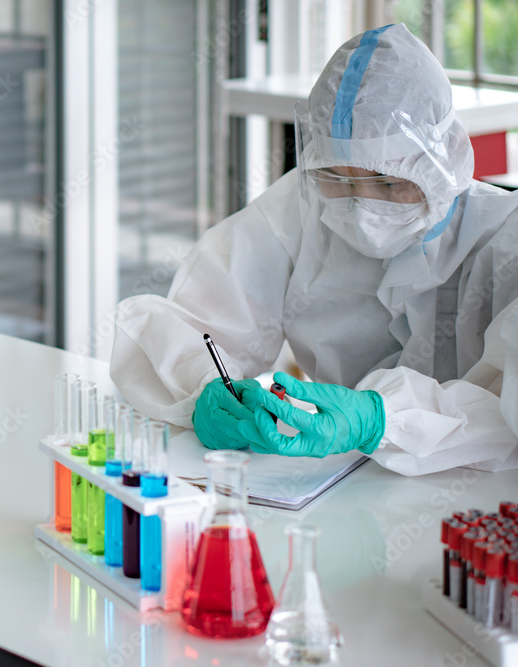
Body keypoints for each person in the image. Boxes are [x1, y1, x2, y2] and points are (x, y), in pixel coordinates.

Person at [111, 23, 518, 476]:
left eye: (387, 181)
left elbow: (509, 412)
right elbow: (195, 324)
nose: (363, 207)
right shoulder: (301, 210)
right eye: (339, 178)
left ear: (449, 158)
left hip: (480, 493)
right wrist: (205, 392)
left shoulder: (507, 243)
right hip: (336, 482)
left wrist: (384, 420)